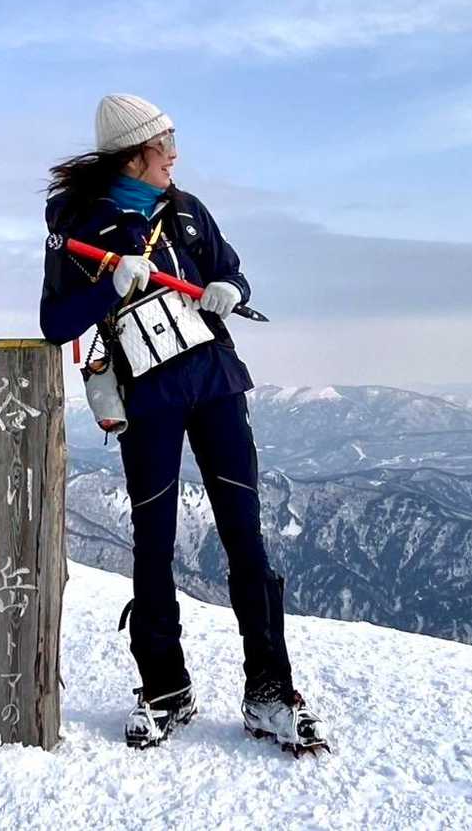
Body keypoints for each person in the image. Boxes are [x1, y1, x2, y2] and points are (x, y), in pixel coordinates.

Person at [39, 93, 328, 753]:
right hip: (148, 398)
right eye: (164, 145)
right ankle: (164, 687)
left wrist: (234, 290)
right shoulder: (78, 224)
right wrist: (105, 288)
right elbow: (55, 323)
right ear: (135, 154)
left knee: (244, 539)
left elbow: (228, 272)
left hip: (217, 384)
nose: (174, 156)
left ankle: (269, 692)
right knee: (153, 542)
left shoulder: (188, 211)